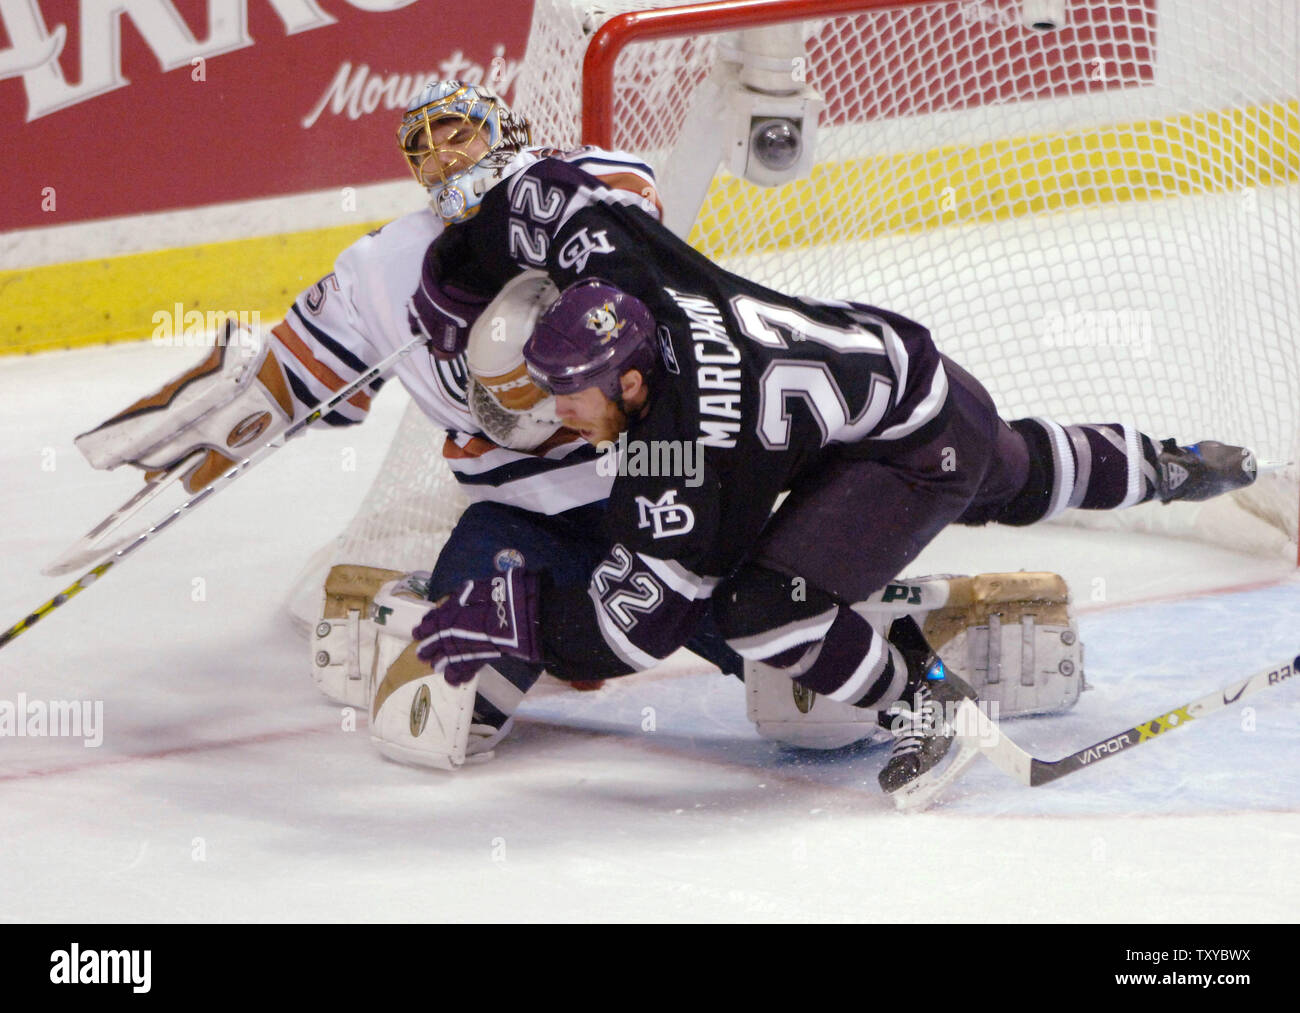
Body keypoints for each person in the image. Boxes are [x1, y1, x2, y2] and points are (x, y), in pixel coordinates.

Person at [405, 151, 1258, 794]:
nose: (558, 415)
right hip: (903, 371)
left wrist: (530, 618)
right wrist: (456, 275)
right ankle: (1169, 465)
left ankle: (926, 706)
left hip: (908, 448)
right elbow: (541, 196)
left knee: (761, 609)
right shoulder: (633, 279)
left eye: (570, 396)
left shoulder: (697, 452)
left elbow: (640, 632)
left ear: (630, 379)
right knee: (1017, 469)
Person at [69, 80, 740, 762]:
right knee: (434, 718)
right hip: (525, 522)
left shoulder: (584, 186)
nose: (441, 158)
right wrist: (233, 411)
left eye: (458, 134)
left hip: (660, 489)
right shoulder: (383, 271)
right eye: (421, 149)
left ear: (506, 131)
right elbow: (287, 381)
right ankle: (522, 625)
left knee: (809, 689)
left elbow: (627, 217)